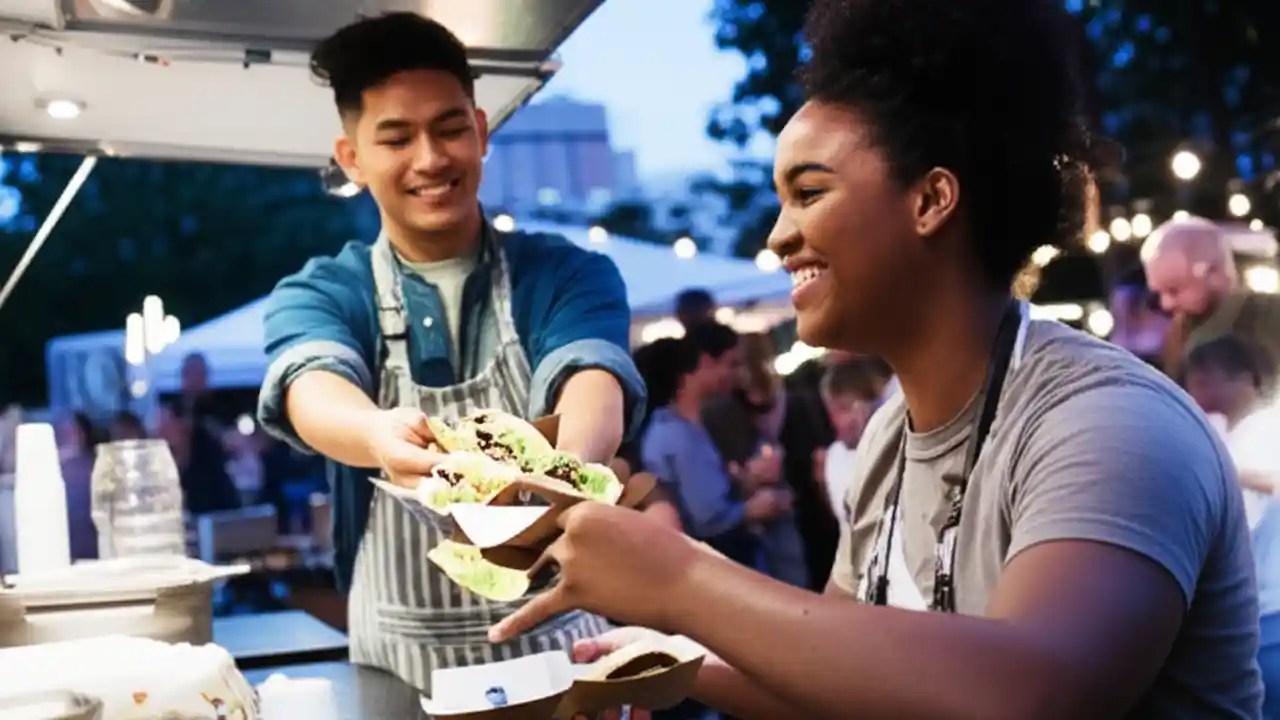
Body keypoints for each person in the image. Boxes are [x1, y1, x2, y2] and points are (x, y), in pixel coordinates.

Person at [488, 1, 1263, 717]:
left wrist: (681, 580)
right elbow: (837, 679)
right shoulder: (891, 433)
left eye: (808, 193)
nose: (777, 236)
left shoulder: (1110, 422)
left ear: (930, 200)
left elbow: (1033, 692)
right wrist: (666, 659)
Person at [255, 13, 646, 694]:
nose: (431, 159)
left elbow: (592, 380)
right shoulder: (324, 290)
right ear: (352, 158)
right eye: (396, 138)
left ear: (481, 131)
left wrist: (560, 469)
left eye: (450, 128)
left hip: (564, 659)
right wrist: (376, 434)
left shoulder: (566, 274)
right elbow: (312, 384)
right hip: (399, 673)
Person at [1183, 336, 1280, 717]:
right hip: (1252, 610)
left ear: (1244, 379)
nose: (1195, 386)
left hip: (1268, 608)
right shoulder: (1224, 433)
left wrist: (1231, 472)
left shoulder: (1266, 426)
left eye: (1206, 376)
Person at [639, 327, 790, 568]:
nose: (736, 375)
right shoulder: (678, 435)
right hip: (715, 563)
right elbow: (707, 518)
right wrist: (754, 508)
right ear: (702, 364)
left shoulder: (684, 427)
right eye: (731, 364)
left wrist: (747, 482)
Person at [1142, 217, 1280, 380]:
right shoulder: (1179, 332)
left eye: (1174, 290)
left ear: (1213, 273)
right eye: (1159, 293)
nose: (1166, 304)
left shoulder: (1269, 319)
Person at [818, 356, 893, 532]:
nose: (834, 421)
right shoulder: (836, 457)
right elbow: (854, 515)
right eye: (831, 412)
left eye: (843, 409)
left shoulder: (897, 442)